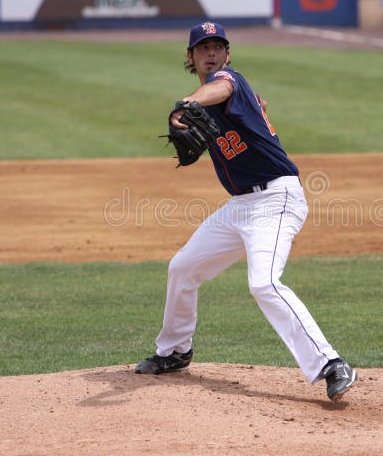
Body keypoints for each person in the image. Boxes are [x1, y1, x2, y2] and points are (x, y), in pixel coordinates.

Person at [135, 21, 358, 402]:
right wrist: (256, 109)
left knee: (264, 283)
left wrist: (187, 104)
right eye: (203, 47)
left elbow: (224, 87)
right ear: (189, 56)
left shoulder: (228, 81)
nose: (211, 52)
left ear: (227, 53)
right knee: (183, 267)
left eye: (218, 46)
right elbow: (257, 103)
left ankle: (331, 364)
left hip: (276, 199)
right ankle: (174, 352)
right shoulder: (222, 97)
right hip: (240, 206)